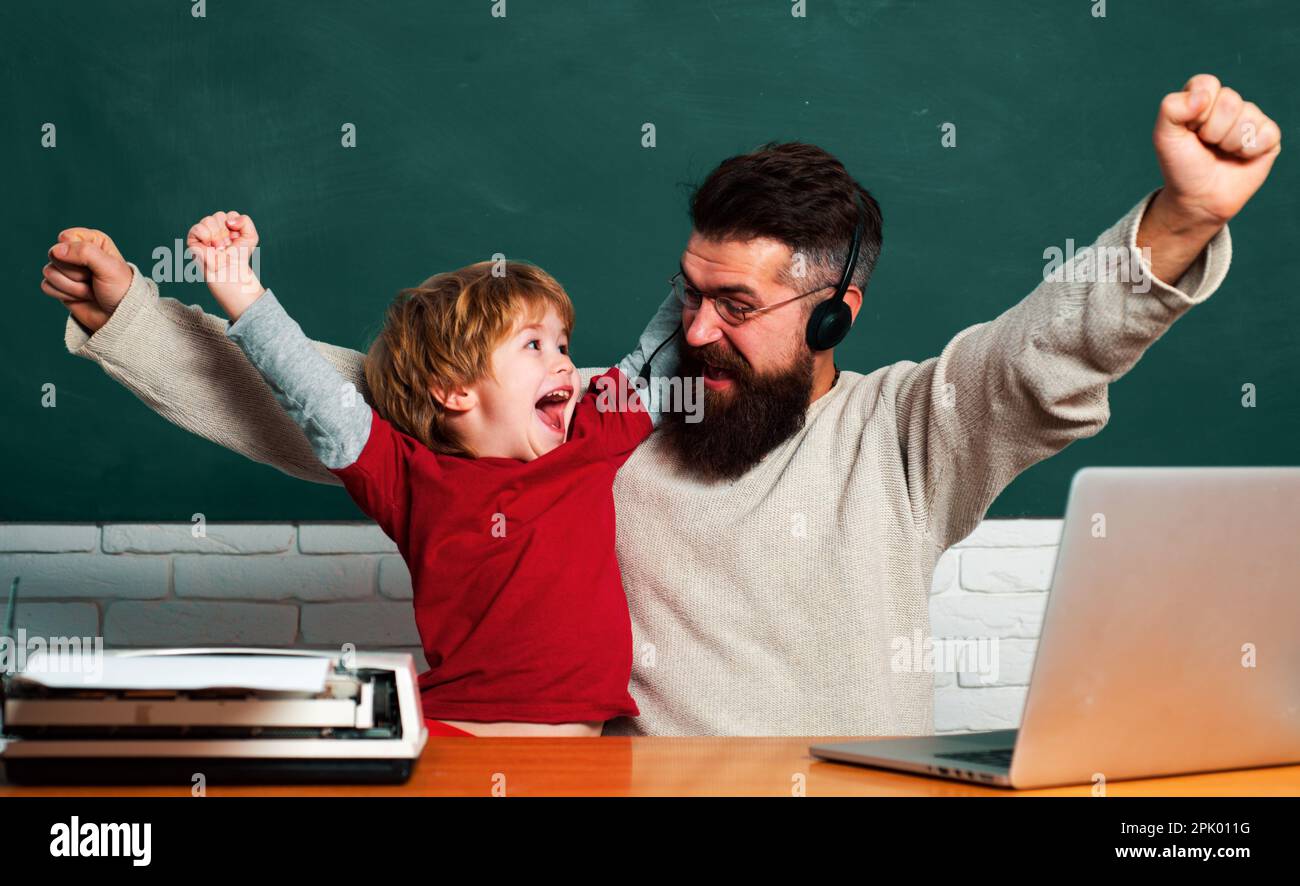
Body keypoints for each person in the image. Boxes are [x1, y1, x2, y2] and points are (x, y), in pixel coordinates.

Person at [42, 75, 1278, 736]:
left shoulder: (908, 434)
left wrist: (1178, 223)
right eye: (686, 294)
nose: (694, 331)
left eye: (735, 307)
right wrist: (133, 317)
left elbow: (1044, 355)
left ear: (835, 309)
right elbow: (343, 403)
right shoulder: (585, 424)